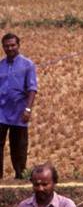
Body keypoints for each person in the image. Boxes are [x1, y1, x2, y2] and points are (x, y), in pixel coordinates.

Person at [0, 32, 37, 180]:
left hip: (19, 113)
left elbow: (32, 89)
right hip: (1, 112)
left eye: (12, 45)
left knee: (19, 147)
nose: (10, 48)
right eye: (6, 46)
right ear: (3, 47)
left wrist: (28, 109)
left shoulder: (28, 65)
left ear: (18, 46)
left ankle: (20, 178)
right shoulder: (0, 65)